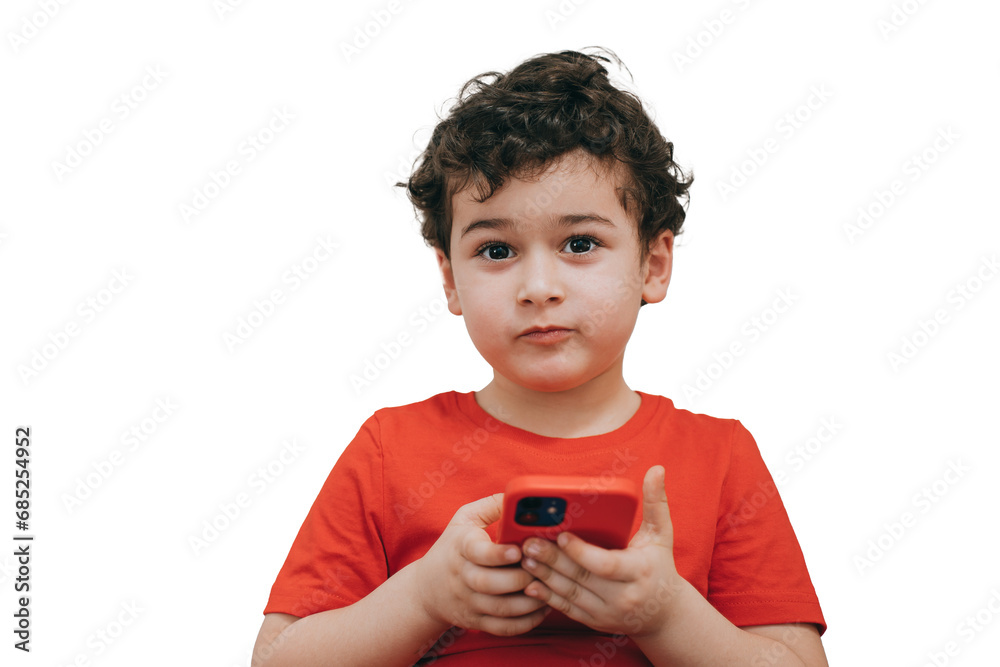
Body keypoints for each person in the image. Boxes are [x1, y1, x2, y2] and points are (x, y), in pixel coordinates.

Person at [251, 47, 828, 666]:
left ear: (653, 266)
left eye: (580, 243)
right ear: (449, 279)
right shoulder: (390, 448)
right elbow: (278, 659)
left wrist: (665, 613)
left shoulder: (720, 456)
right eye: (496, 251)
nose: (537, 287)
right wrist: (422, 597)